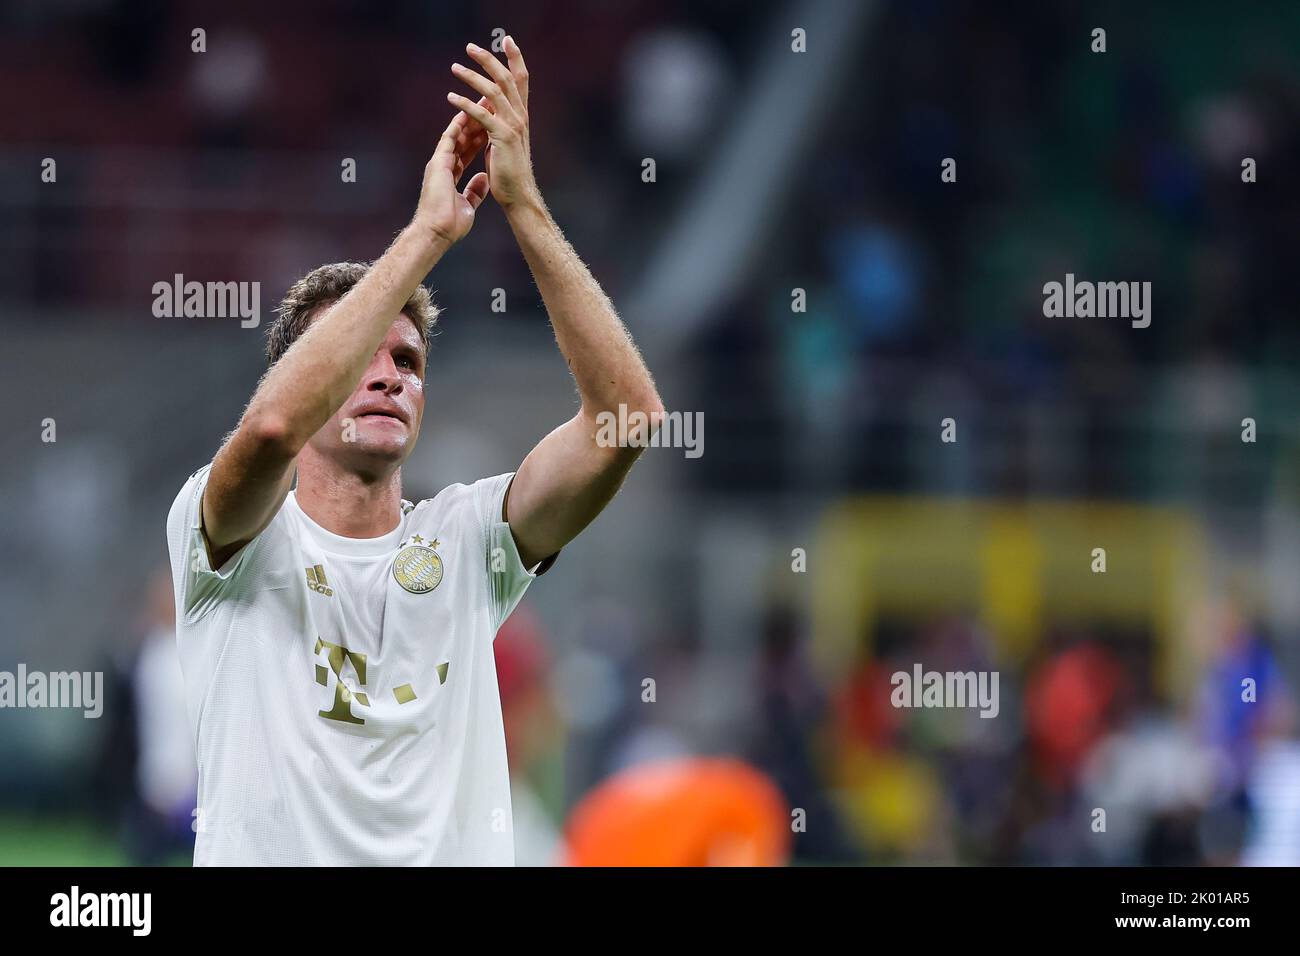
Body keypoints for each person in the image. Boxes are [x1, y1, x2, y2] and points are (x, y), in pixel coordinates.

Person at [165, 36, 661, 865]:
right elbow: (274, 429)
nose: (390, 375)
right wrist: (429, 234)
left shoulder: (467, 540)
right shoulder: (230, 540)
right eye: (359, 356)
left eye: (407, 361)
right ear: (305, 376)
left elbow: (628, 420)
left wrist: (524, 205)